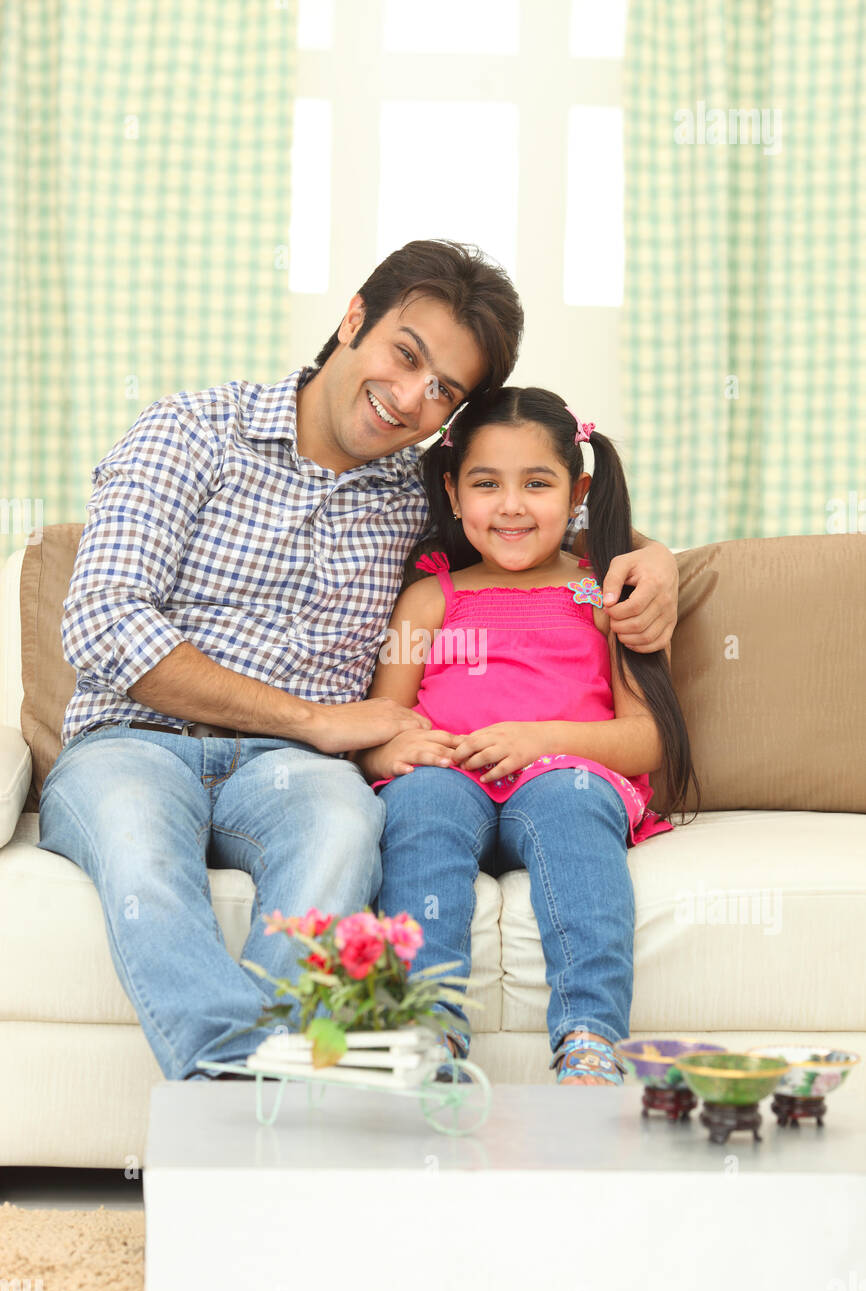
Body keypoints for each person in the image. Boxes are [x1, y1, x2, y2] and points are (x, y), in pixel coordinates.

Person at [36, 239, 681, 1082]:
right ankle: (240, 1085)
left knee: (344, 832)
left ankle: (268, 1096)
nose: (409, 397)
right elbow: (103, 624)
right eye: (404, 355)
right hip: (135, 743)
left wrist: (654, 554)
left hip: (293, 772)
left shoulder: (418, 492)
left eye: (442, 390)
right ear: (352, 320)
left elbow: (523, 527)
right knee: (141, 853)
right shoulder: (189, 432)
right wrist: (321, 722)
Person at [359, 386, 701, 1085]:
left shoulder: (609, 592)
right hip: (451, 778)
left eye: (536, 484)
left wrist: (539, 739)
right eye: (487, 484)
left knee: (571, 805)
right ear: (453, 494)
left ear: (577, 490)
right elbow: (380, 724)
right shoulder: (430, 598)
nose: (511, 506)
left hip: (566, 780)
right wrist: (392, 750)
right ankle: (427, 1034)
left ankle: (589, 1038)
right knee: (419, 807)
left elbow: (648, 739)